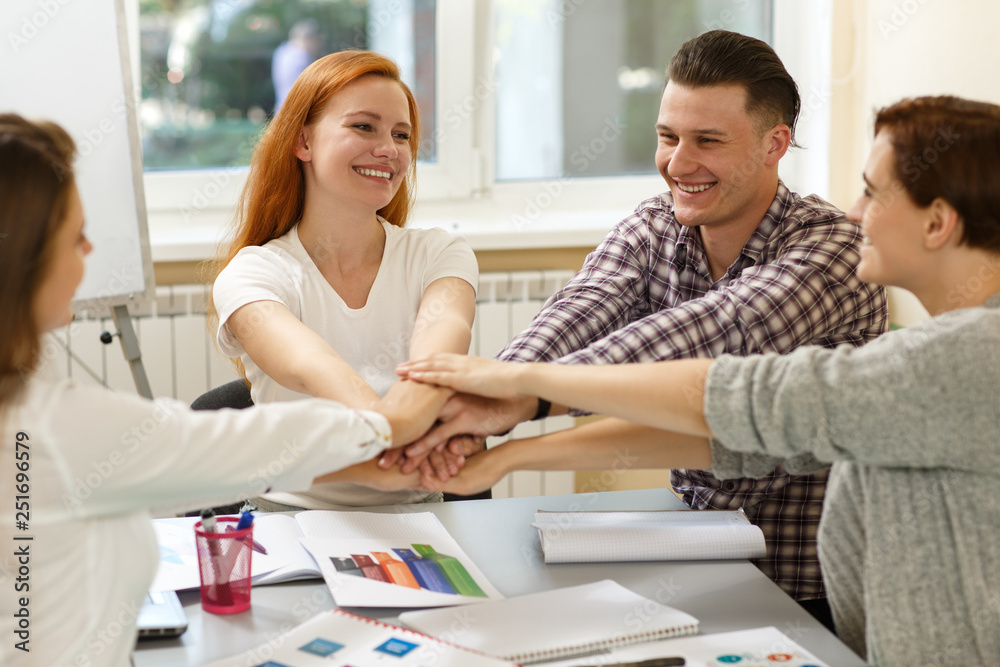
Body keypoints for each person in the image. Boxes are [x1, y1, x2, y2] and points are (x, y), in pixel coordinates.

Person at [399, 95, 1000, 665]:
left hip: (813, 601)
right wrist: (511, 448)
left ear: (938, 223)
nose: (856, 212)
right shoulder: (949, 350)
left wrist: (524, 388)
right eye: (668, 136)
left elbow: (733, 376)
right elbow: (745, 436)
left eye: (873, 193)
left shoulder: (962, 352)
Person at [396, 30, 887, 620]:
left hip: (814, 585)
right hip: (699, 552)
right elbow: (580, 308)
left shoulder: (834, 247)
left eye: (707, 140)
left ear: (774, 144)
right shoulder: (657, 224)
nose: (678, 164)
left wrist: (522, 396)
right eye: (667, 137)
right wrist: (487, 392)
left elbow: (713, 334)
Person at [0, 115, 437, 667]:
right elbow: (240, 444)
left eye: (402, 134)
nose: (88, 249)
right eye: (73, 233)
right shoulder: (49, 429)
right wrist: (389, 425)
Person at [212, 50, 478, 511]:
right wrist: (392, 430)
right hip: (291, 518)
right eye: (363, 126)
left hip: (418, 514)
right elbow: (311, 366)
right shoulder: (253, 272)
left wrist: (393, 433)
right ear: (303, 142)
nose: (389, 149)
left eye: (402, 135)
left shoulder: (440, 253)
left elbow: (436, 359)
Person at [272, 19, 323, 113]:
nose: (319, 45)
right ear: (310, 39)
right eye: (318, 40)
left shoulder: (282, 51)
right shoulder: (302, 57)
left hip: (283, 110)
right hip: (297, 113)